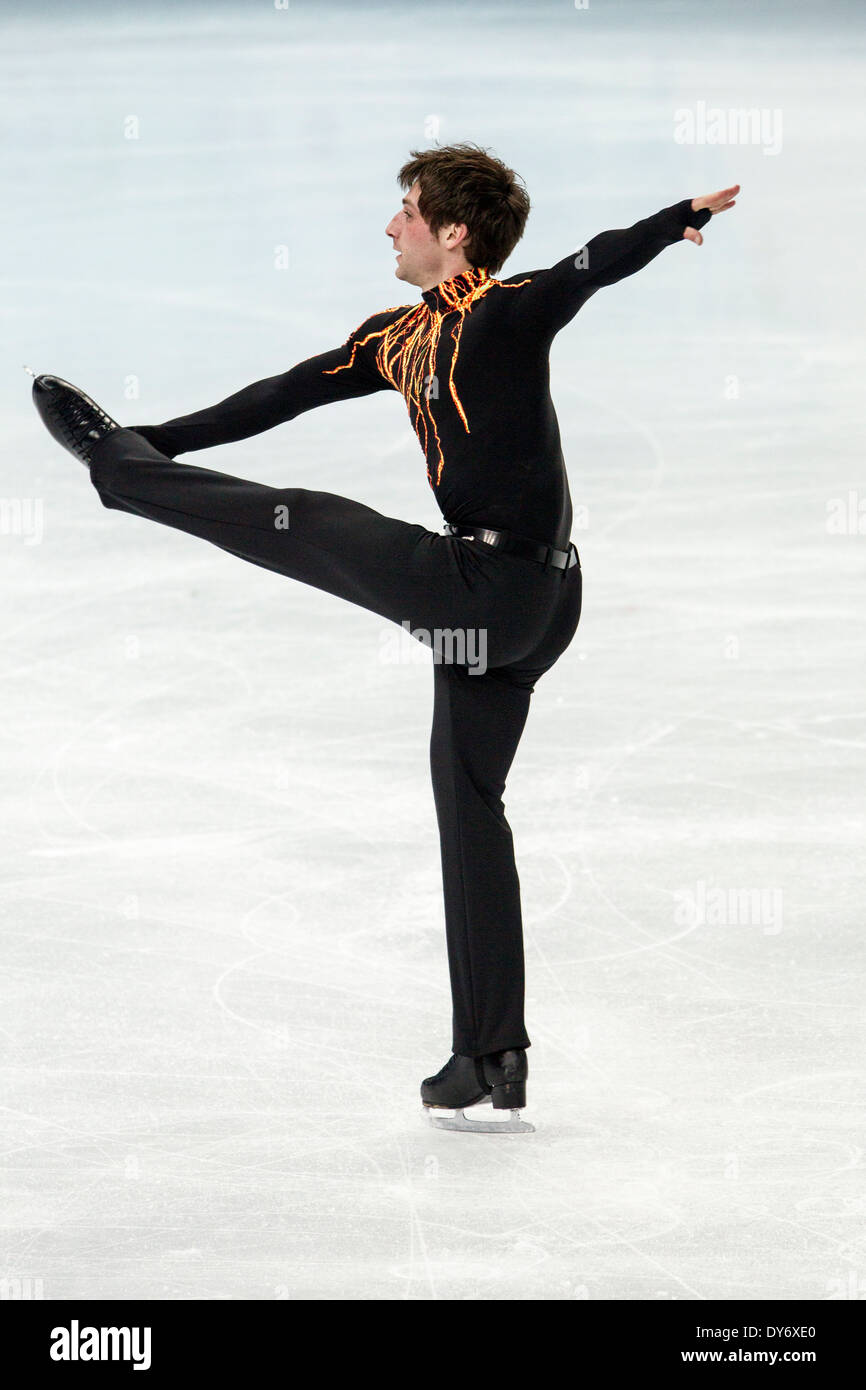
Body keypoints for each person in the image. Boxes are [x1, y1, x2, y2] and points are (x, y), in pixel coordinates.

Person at [32, 142, 738, 1133]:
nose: (391, 225)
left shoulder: (506, 311)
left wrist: (671, 222)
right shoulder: (393, 338)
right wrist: (158, 439)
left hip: (487, 591)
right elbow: (280, 394)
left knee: (307, 520)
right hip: (530, 606)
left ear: (453, 231)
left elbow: (590, 264)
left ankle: (116, 476)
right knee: (469, 809)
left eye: (407, 210)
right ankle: (487, 1054)